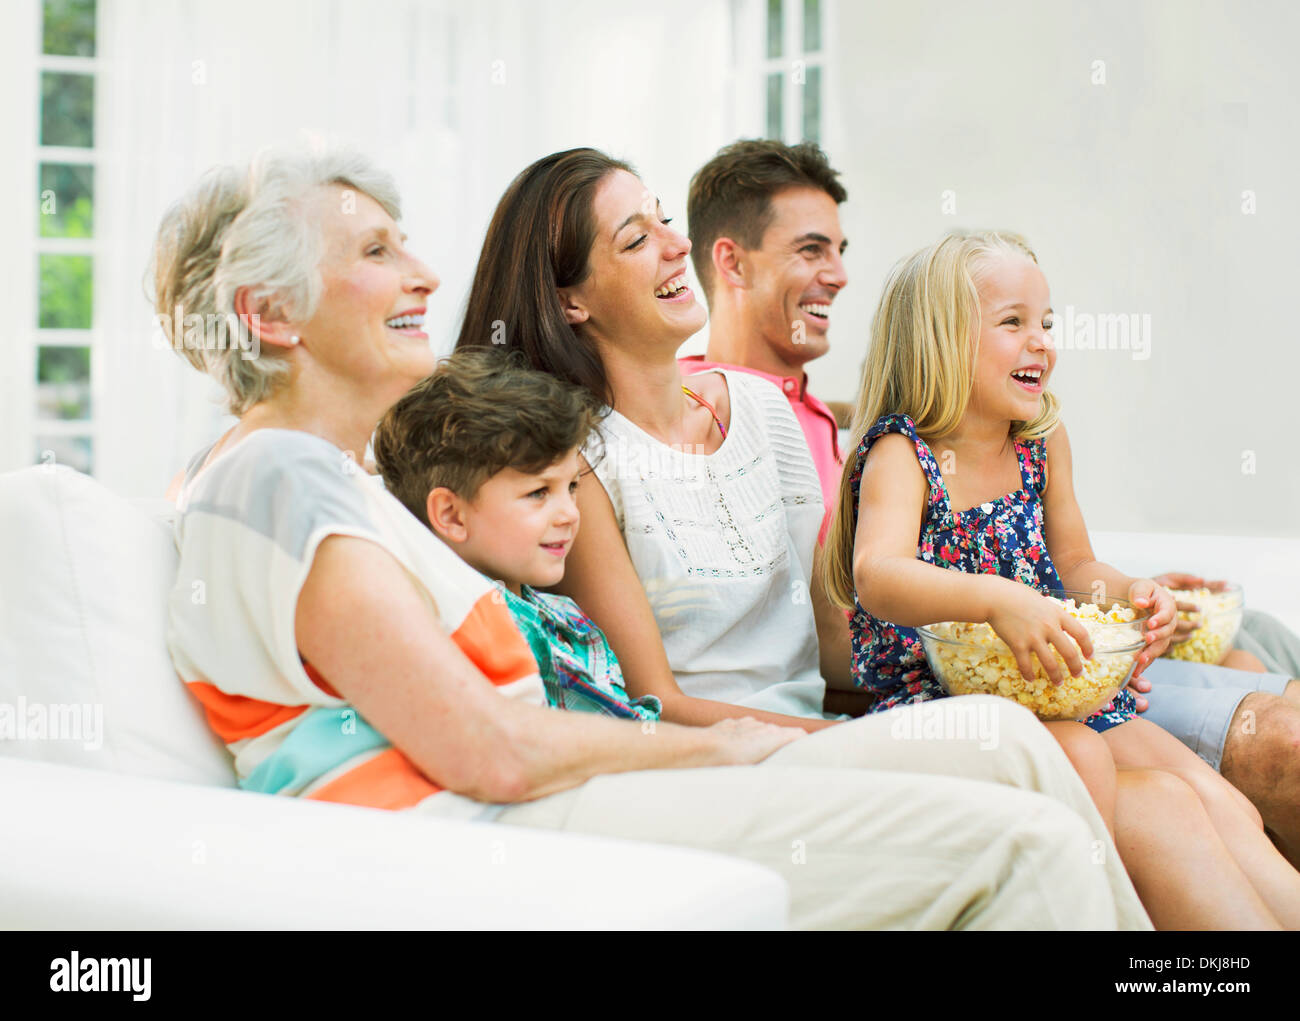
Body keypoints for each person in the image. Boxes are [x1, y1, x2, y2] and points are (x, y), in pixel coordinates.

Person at [156, 144, 1151, 929]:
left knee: (1011, 744)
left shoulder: (339, 481)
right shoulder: (269, 477)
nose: (421, 269)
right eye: (376, 251)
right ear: (268, 316)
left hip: (559, 797)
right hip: (500, 837)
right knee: (1027, 843)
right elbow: (492, 749)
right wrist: (718, 749)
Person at [449, 146, 1166, 926]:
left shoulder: (760, 412)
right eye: (633, 238)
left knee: (1036, 738)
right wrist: (853, 738)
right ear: (572, 302)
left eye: (661, 217)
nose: (669, 243)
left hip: (823, 726)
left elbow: (835, 632)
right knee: (1004, 746)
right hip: (730, 758)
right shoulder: (580, 463)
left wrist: (1044, 663)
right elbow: (656, 698)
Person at [821, 228, 1299, 928]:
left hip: (1053, 680)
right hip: (942, 695)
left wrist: (1133, 595)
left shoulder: (1040, 441)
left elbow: (1075, 566)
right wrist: (998, 598)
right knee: (1087, 760)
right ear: (939, 339)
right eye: (1012, 322)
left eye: (1046, 322)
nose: (1041, 340)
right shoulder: (904, 452)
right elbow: (878, 575)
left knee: (1212, 796)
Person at [373, 347, 658, 721]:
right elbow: (627, 737)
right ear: (452, 515)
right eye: (538, 493)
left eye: (571, 487)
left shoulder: (563, 614)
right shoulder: (473, 630)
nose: (570, 514)